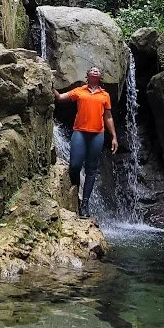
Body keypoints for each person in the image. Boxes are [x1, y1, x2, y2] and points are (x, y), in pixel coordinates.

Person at [54, 66, 118, 216]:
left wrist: (114, 136)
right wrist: (50, 85)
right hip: (80, 133)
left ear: (100, 77)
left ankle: (85, 204)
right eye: (92, 70)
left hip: (97, 135)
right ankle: (75, 190)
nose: (95, 71)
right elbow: (60, 98)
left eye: (97, 70)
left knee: (91, 169)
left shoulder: (105, 95)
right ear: (87, 75)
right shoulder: (79, 91)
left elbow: (108, 116)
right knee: (75, 165)